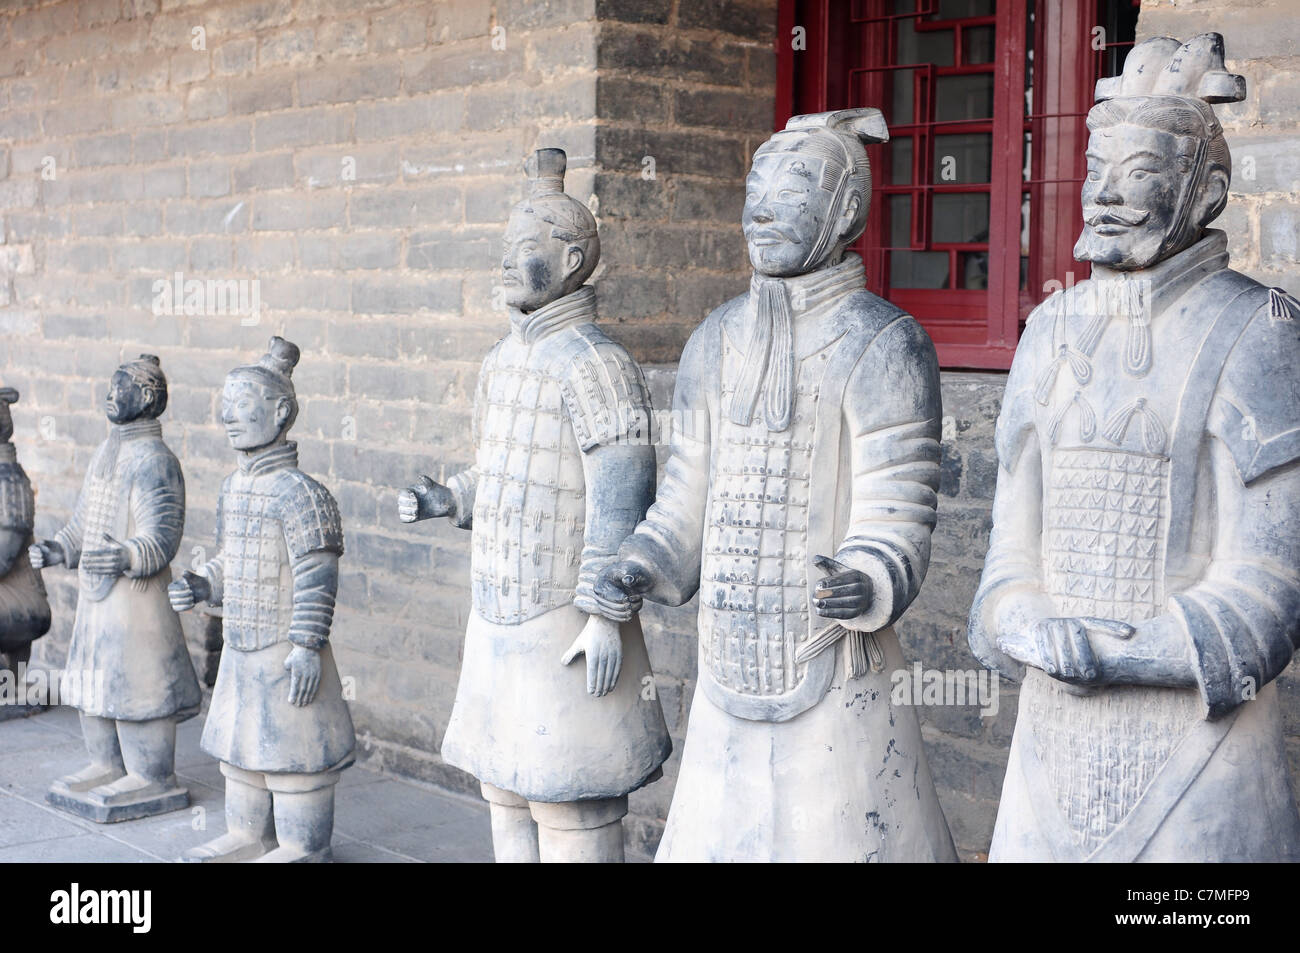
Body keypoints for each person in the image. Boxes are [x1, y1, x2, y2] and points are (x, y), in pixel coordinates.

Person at [968, 34, 1300, 861]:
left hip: (1201, 761)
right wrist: (1027, 625)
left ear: (1207, 189)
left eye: (1142, 172)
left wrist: (1111, 653)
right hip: (1049, 750)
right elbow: (1009, 557)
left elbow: (1269, 593)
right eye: (1096, 170)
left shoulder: (1260, 334)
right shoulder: (1047, 331)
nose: (1106, 194)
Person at [596, 109, 956, 862]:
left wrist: (868, 574)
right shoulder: (713, 339)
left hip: (834, 660)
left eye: (791, 189)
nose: (760, 207)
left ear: (845, 210)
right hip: (730, 649)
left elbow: (900, 504)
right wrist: (642, 561)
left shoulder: (884, 340)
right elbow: (685, 498)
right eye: (754, 186)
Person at [398, 148, 670, 863]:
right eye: (503, 251)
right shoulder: (501, 362)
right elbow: (505, 473)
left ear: (574, 258)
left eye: (525, 251)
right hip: (497, 611)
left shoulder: (597, 363)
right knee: (505, 785)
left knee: (569, 795)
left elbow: (622, 501)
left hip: (568, 620)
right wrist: (450, 496)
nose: (504, 265)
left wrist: (609, 617)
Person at [170, 337, 354, 863]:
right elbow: (234, 559)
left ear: (279, 412)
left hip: (284, 649)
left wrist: (306, 644)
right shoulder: (235, 487)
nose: (228, 415)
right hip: (242, 646)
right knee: (242, 752)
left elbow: (317, 574)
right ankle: (247, 837)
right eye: (225, 403)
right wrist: (204, 583)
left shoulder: (303, 493)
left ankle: (302, 846)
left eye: (242, 402)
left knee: (297, 756)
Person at [31, 355, 200, 822]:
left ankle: (151, 775)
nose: (109, 394)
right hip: (97, 599)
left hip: (137, 604)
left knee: (138, 687)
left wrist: (128, 554)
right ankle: (106, 764)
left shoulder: (156, 460)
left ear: (145, 397)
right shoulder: (106, 453)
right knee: (93, 685)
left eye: (118, 387)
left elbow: (163, 534)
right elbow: (86, 523)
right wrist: (56, 549)